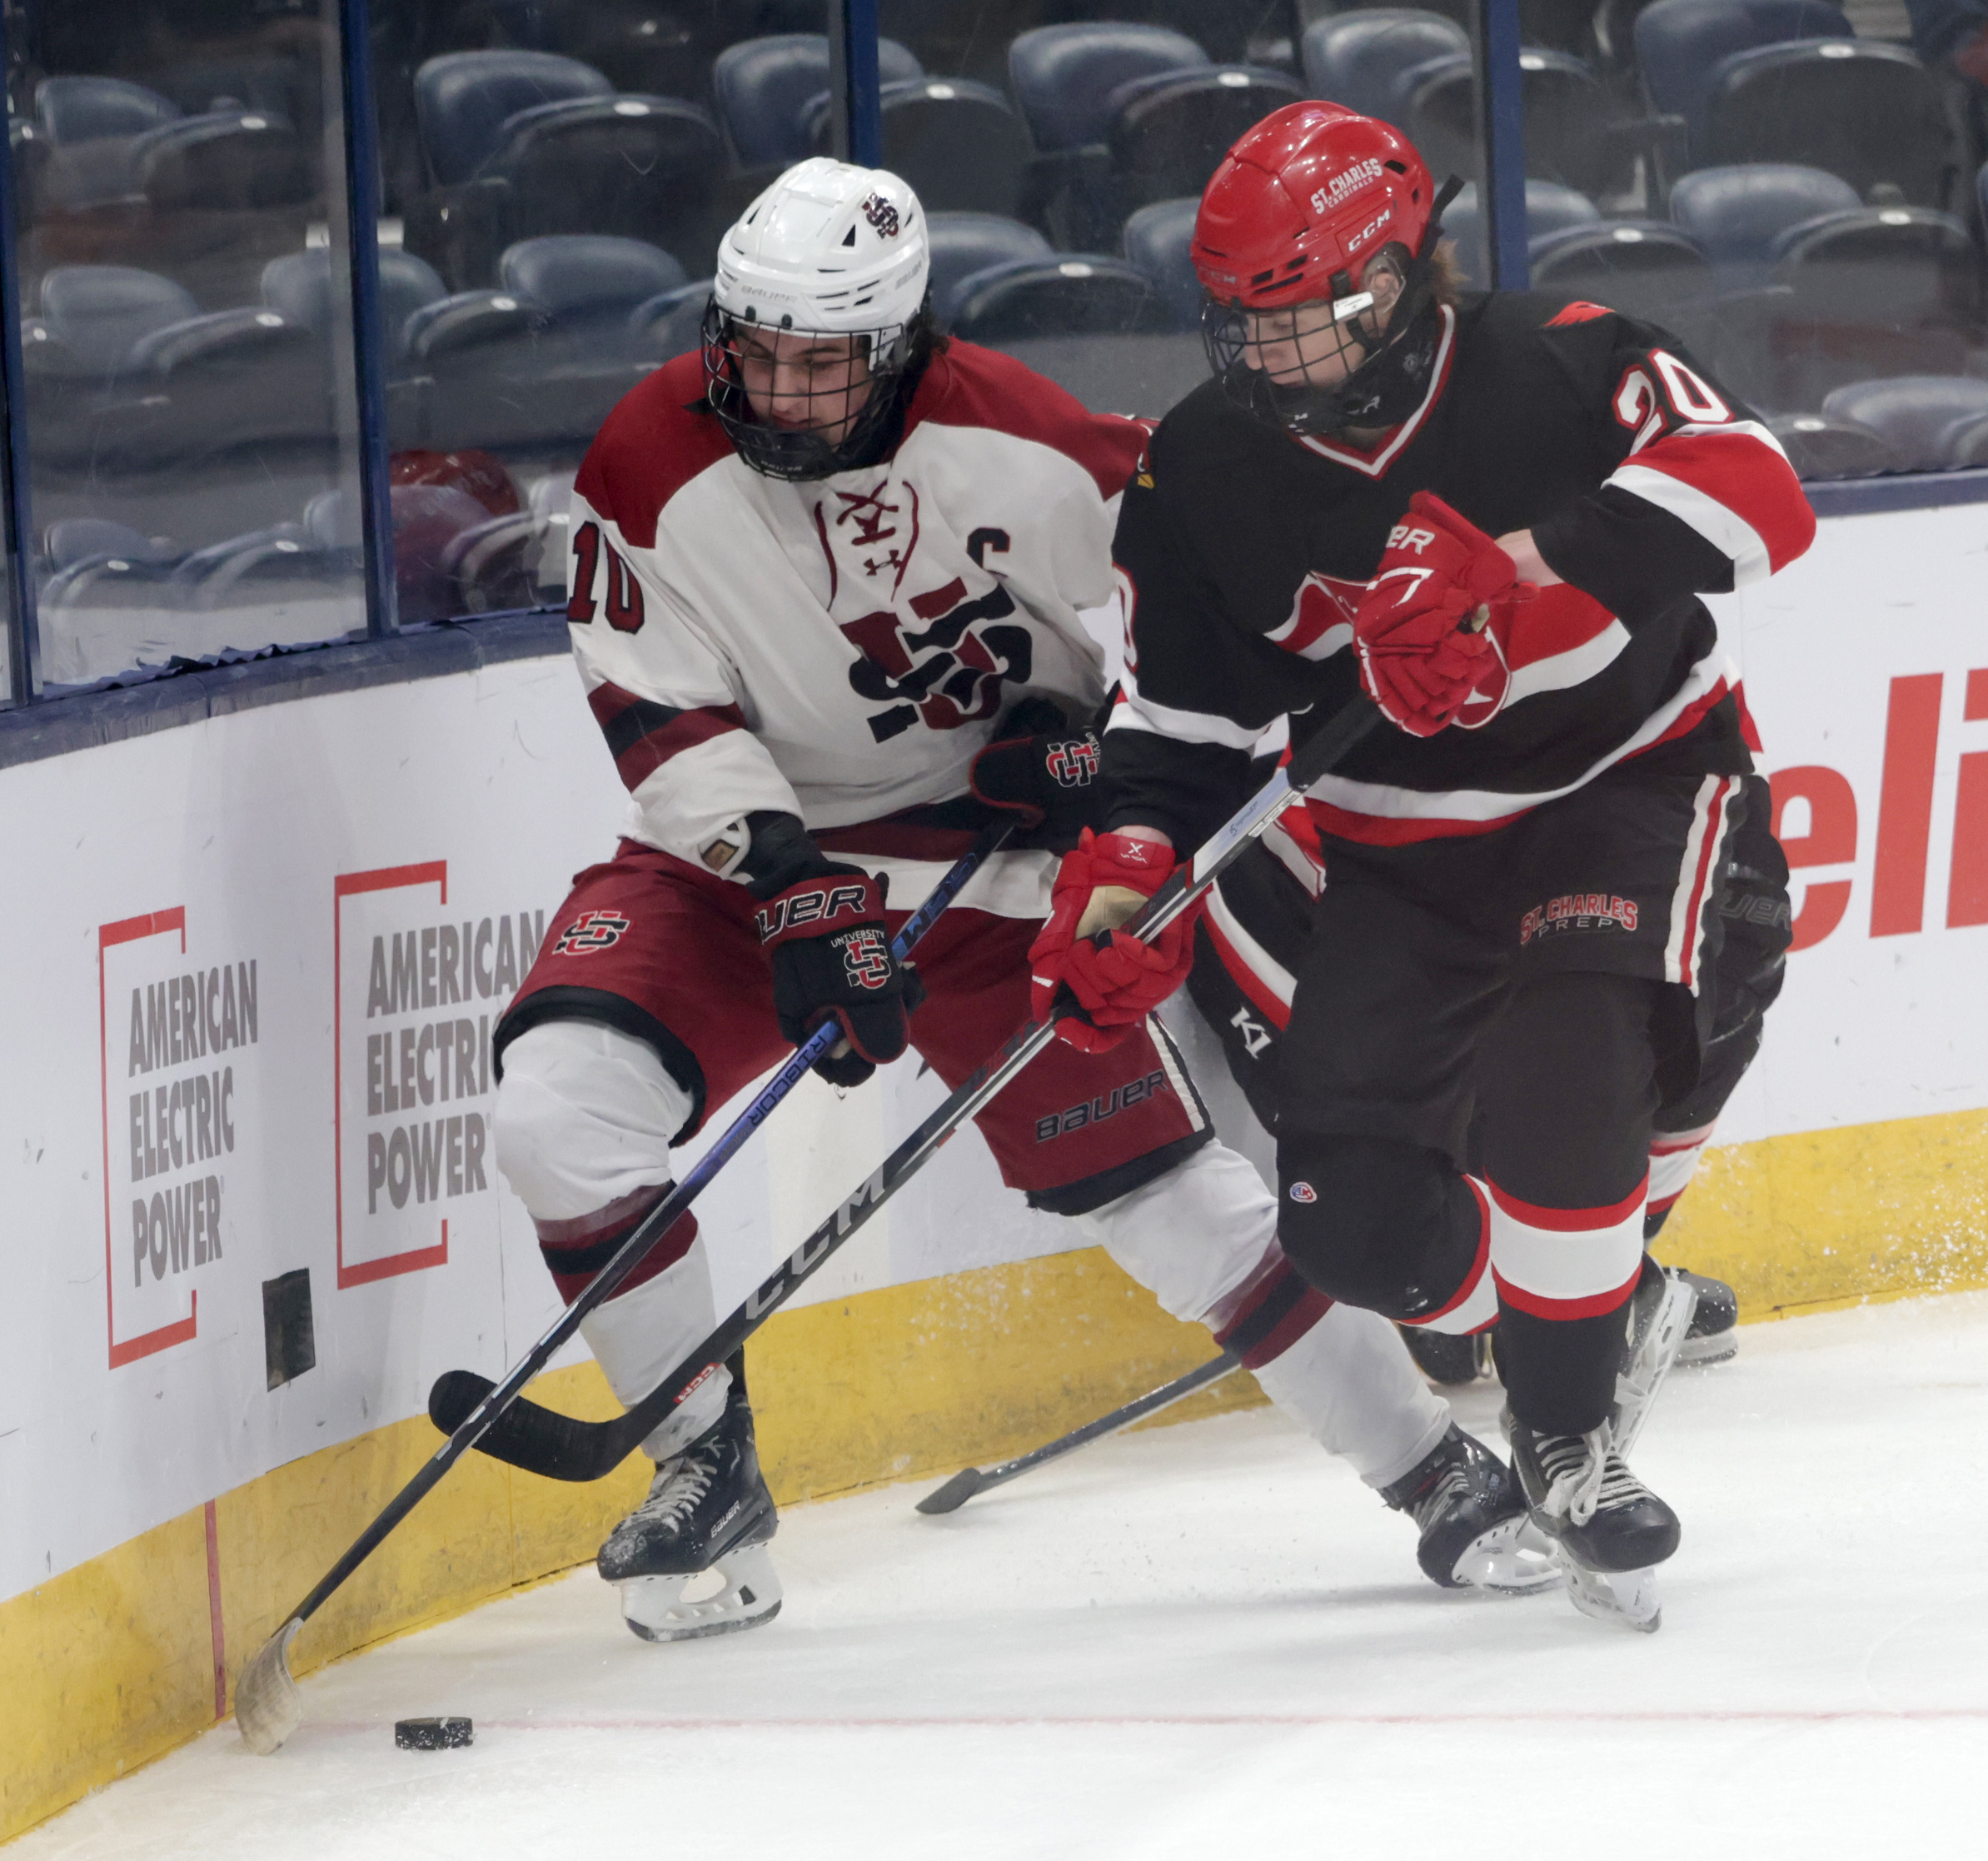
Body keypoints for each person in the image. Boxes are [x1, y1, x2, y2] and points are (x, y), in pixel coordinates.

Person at [490, 157, 1547, 1644]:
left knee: (1171, 1208)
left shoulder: (1035, 446)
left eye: (821, 358)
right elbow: (654, 707)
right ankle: (700, 1463)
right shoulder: (648, 458)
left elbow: (1182, 632)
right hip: (746, 857)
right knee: (556, 1113)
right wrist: (788, 879)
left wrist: (1090, 758)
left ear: (902, 342)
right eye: (757, 349)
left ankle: (1434, 1468)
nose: (781, 388)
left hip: (990, 870)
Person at [1030, 104, 1815, 1627]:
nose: (1271, 364)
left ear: (1400, 282)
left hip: (1622, 783)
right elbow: (1181, 729)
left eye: (1307, 324)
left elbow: (1763, 491)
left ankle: (1568, 1427)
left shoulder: (1561, 358)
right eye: (1244, 331)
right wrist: (1122, 881)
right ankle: (1596, 1306)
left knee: (1561, 1049)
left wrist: (1519, 562)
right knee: (1360, 1232)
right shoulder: (1200, 466)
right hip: (1398, 857)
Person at [1180, 776, 1793, 1383]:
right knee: (1375, 1205)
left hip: (1534, 823)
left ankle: (1615, 1274)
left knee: (1738, 936)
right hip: (1315, 884)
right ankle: (1494, 1272)